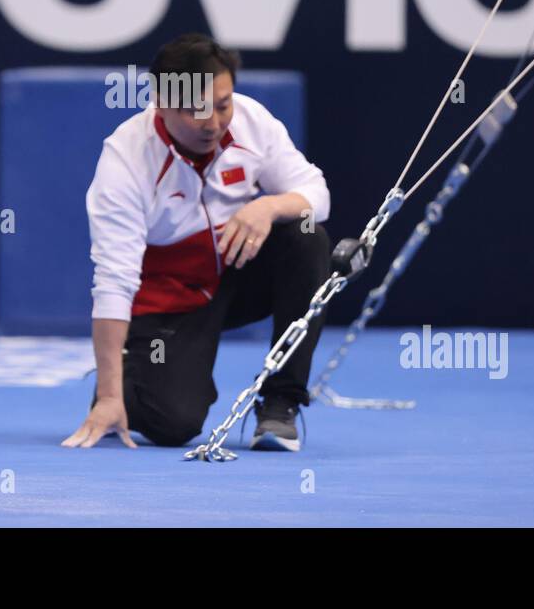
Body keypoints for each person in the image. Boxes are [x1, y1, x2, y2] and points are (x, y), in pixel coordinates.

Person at [63, 33, 332, 452]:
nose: (213, 122)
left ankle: (280, 402)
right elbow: (114, 282)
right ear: (162, 105)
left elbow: (316, 193)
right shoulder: (125, 161)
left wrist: (269, 206)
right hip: (170, 303)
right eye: (196, 110)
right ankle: (126, 381)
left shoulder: (251, 122)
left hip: (236, 273)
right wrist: (113, 396)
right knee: (174, 423)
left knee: (305, 236)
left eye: (223, 104)